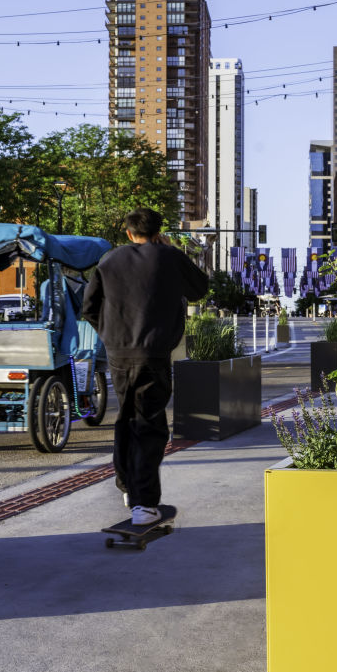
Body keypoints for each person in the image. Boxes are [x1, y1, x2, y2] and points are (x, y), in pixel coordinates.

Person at [81, 208, 209, 526]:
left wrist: (111, 335)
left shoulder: (109, 261)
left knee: (126, 418)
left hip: (119, 352)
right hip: (153, 352)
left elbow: (89, 307)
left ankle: (128, 487)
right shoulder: (168, 257)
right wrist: (168, 251)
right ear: (158, 231)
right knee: (149, 424)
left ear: (127, 233)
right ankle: (145, 504)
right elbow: (200, 288)